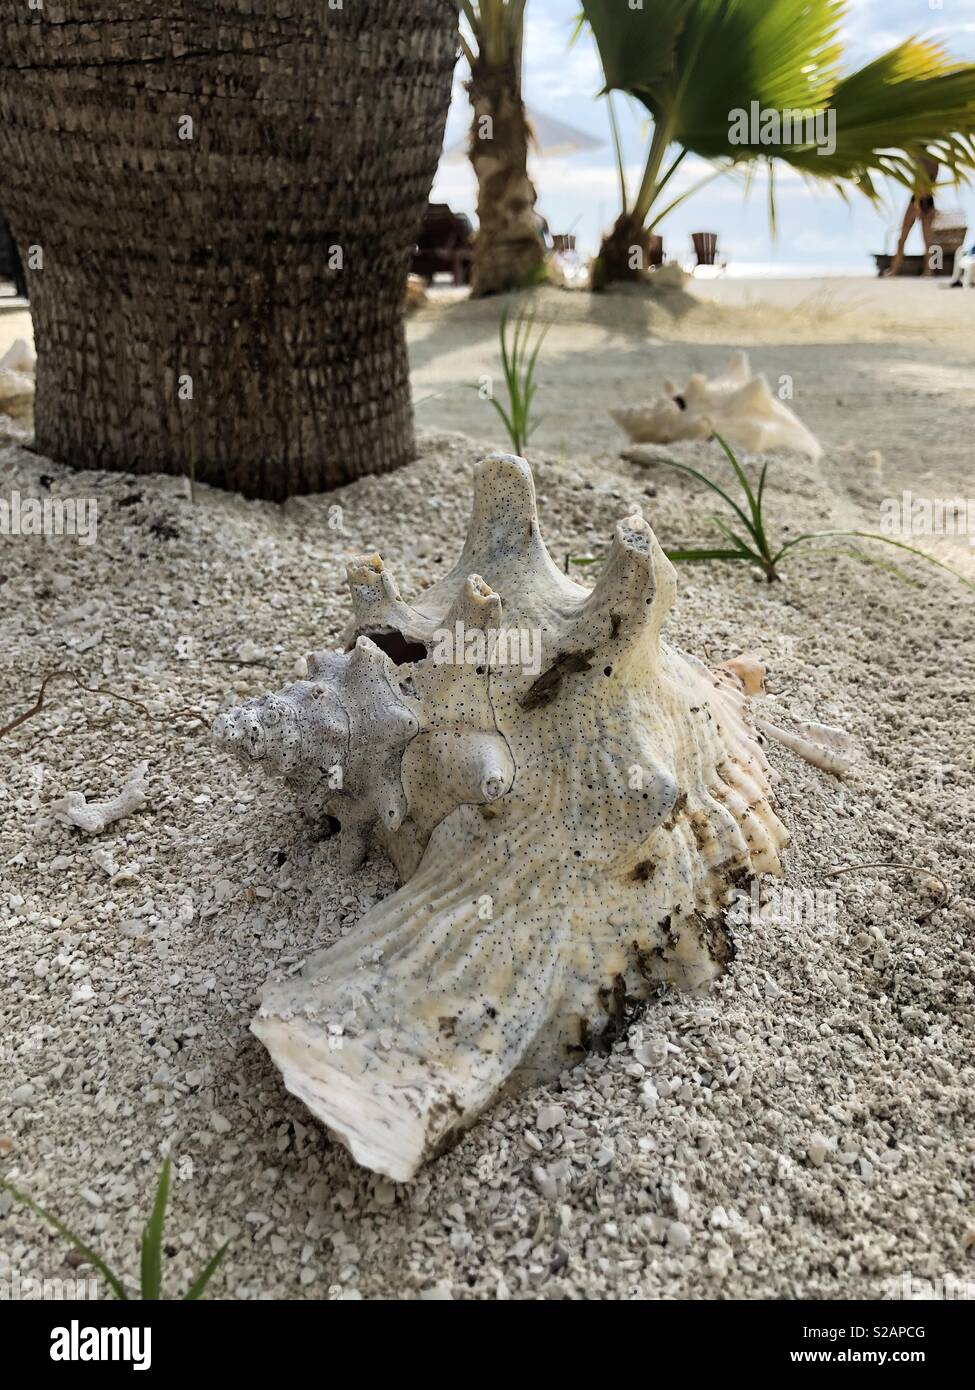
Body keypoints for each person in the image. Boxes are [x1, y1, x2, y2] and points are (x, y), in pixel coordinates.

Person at [885, 157, 940, 278]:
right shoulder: (935, 162)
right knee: (927, 241)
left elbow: (921, 186)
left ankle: (894, 270)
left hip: (918, 200)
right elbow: (932, 183)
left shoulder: (919, 160)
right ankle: (928, 271)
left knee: (903, 238)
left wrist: (919, 207)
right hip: (929, 201)